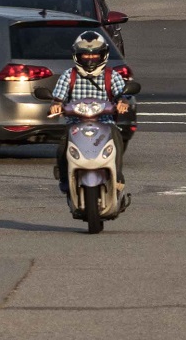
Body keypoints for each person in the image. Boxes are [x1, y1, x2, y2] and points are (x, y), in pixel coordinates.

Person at [49, 27, 134, 210]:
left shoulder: (112, 76)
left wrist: (123, 102)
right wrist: (56, 104)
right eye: (85, 56)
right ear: (76, 56)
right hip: (75, 125)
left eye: (94, 56)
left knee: (117, 140)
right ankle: (65, 179)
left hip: (106, 124)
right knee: (62, 147)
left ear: (103, 56)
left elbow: (122, 95)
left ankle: (117, 177)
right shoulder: (68, 76)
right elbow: (58, 98)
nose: (89, 60)